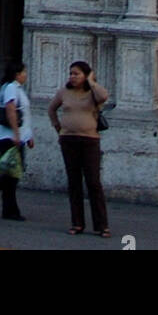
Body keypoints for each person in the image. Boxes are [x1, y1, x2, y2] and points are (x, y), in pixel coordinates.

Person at [48, 60, 111, 236]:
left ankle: (101, 225)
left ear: (85, 75)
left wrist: (91, 81)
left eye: (77, 74)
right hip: (68, 139)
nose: (73, 77)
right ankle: (77, 223)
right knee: (74, 181)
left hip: (89, 140)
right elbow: (51, 109)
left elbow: (103, 97)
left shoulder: (93, 93)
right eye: (71, 74)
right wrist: (58, 127)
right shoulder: (64, 92)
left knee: (93, 182)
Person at [0, 60, 34, 221]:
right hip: (9, 136)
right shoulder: (11, 88)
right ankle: (1, 202)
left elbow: (24, 114)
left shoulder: (16, 88)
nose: (26, 75)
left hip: (16, 136)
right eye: (24, 72)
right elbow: (11, 110)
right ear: (17, 74)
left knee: (13, 174)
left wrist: (28, 136)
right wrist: (16, 134)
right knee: (13, 174)